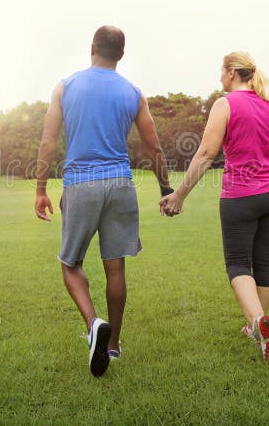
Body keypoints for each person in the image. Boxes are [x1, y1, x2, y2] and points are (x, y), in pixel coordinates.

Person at [159, 51, 269, 366]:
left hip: (241, 197)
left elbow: (207, 153)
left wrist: (179, 195)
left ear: (233, 72)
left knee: (238, 264)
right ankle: (256, 329)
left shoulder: (225, 104)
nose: (220, 78)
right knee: (264, 263)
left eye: (221, 72)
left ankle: (259, 321)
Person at [34, 25, 172, 377]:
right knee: (115, 268)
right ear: (121, 54)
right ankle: (113, 346)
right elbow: (153, 146)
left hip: (81, 185)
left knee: (70, 264)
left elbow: (48, 142)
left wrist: (40, 188)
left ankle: (94, 322)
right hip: (120, 184)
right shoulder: (133, 92)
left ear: (92, 47)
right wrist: (164, 188)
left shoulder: (65, 87)